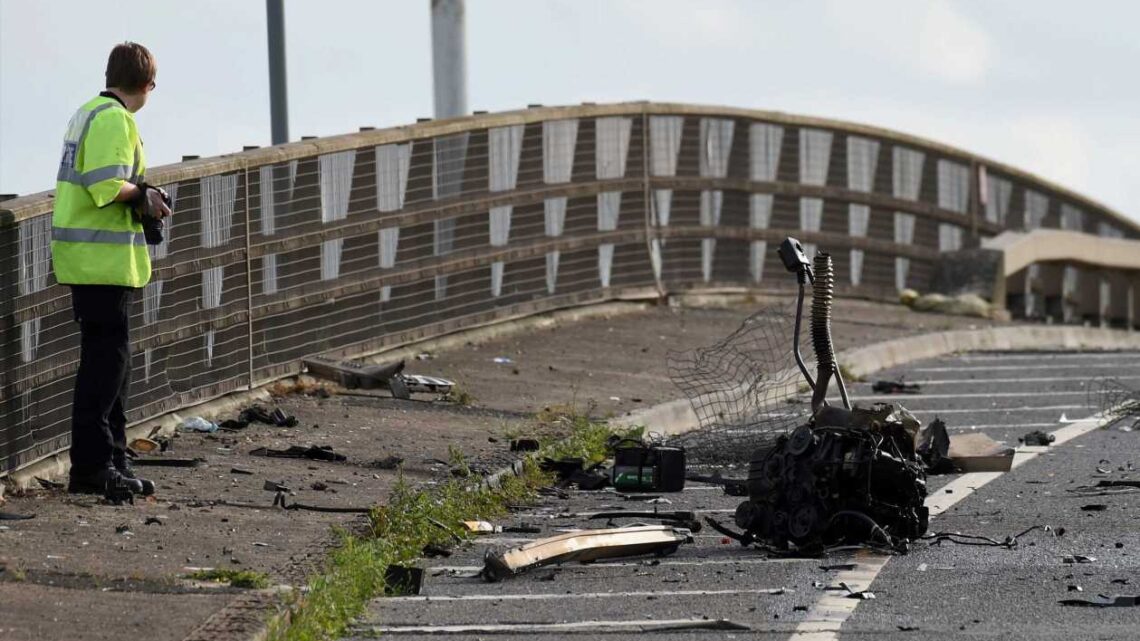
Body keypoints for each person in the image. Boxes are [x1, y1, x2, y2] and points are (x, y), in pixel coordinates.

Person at [51, 42, 172, 498]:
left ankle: (112, 460)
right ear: (147, 85)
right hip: (100, 261)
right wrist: (143, 195)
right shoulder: (115, 119)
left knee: (111, 365)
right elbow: (104, 185)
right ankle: (92, 466)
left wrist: (141, 191)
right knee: (105, 368)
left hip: (92, 260)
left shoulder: (86, 113)